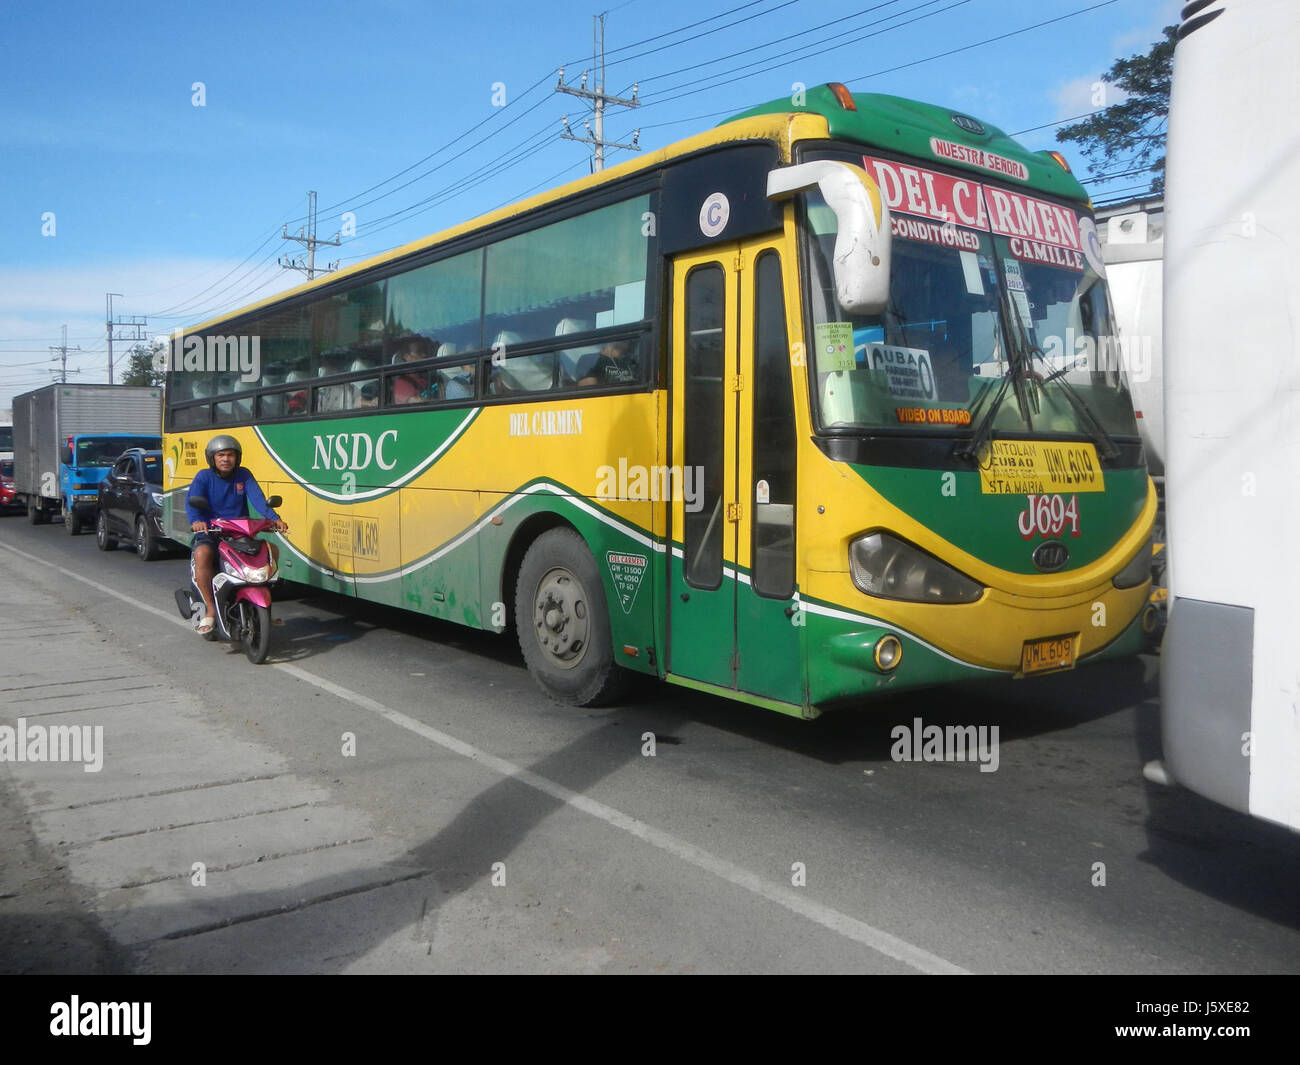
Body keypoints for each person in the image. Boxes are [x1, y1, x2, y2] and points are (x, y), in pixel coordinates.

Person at [186, 435, 289, 635]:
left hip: (238, 532)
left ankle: (264, 609)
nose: (226, 459)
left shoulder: (244, 475)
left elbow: (258, 500)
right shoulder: (203, 477)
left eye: (230, 455)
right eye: (221, 455)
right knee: (203, 554)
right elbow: (192, 502)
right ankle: (210, 608)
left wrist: (274, 518)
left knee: (271, 551)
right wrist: (197, 522)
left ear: (237, 457)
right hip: (211, 531)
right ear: (212, 458)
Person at [391, 336, 434, 404]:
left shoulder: (426, 378)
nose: (424, 355)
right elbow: (419, 403)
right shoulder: (402, 384)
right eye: (419, 351)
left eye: (424, 350)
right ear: (407, 357)